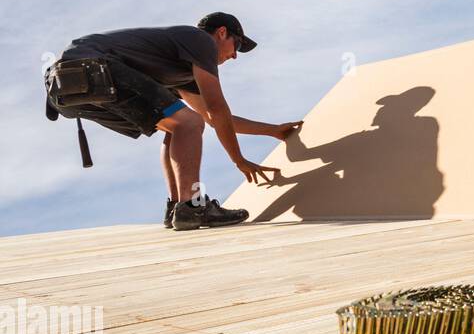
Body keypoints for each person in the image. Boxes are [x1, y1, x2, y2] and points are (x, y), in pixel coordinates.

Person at [44, 12, 302, 230]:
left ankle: (177, 207)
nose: (235, 56)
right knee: (188, 124)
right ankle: (192, 206)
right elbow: (217, 107)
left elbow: (213, 118)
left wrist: (272, 131)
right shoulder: (200, 41)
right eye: (237, 45)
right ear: (221, 33)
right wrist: (239, 159)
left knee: (178, 126)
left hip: (65, 87)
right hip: (94, 67)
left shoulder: (179, 73)